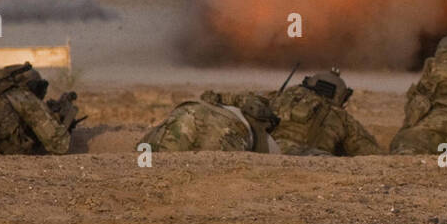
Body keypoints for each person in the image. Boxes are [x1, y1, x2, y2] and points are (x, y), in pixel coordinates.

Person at [268, 68, 381, 156]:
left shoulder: (285, 96)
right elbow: (370, 151)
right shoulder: (342, 117)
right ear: (342, 96)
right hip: (310, 158)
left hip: (269, 147)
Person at [141, 90, 279, 153]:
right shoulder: (265, 137)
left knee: (153, 147)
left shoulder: (242, 106)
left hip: (194, 110)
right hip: (219, 123)